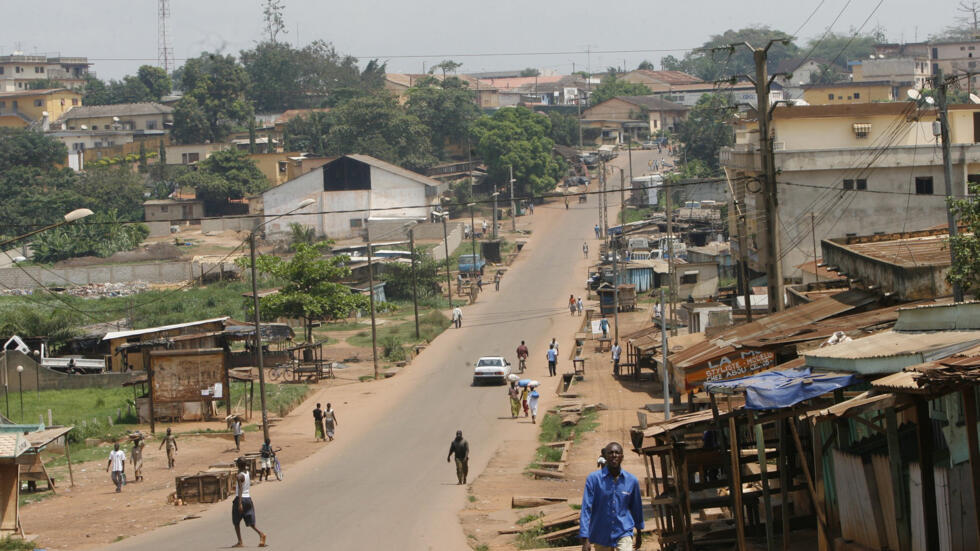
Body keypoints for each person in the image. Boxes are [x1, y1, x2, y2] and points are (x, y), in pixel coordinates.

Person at [579, 442, 644, 551]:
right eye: (610, 453)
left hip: (624, 531)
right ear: (605, 456)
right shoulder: (594, 479)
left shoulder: (631, 481)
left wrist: (639, 533)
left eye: (617, 453)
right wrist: (585, 538)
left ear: (622, 457)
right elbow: (586, 508)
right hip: (601, 533)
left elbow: (636, 508)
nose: (614, 455)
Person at [232, 456, 267, 548]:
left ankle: (240, 542)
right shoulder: (248, 473)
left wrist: (239, 503)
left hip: (240, 499)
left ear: (238, 465)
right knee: (250, 522)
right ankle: (261, 534)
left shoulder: (239, 476)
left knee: (236, 522)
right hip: (248, 499)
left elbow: (240, 489)